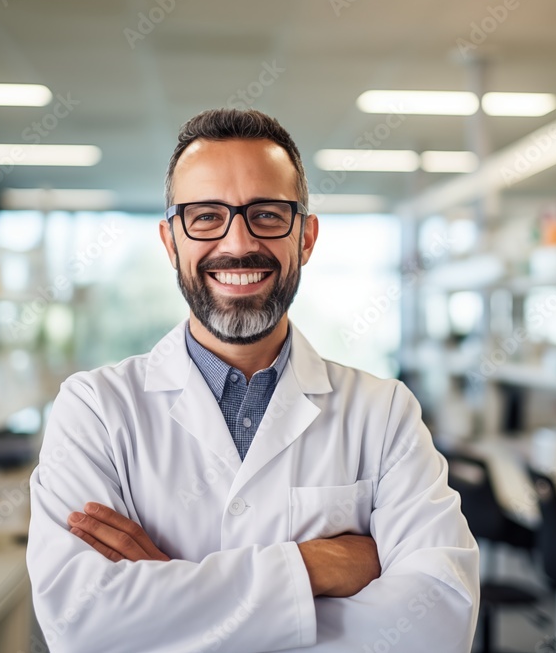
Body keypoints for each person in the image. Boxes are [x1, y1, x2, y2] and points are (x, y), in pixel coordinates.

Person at [26, 108, 480, 652]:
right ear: (171, 241)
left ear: (306, 238)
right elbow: (81, 622)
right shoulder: (95, 409)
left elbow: (436, 622)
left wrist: (168, 596)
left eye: (266, 214)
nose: (238, 242)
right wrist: (311, 567)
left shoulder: (384, 413)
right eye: (205, 216)